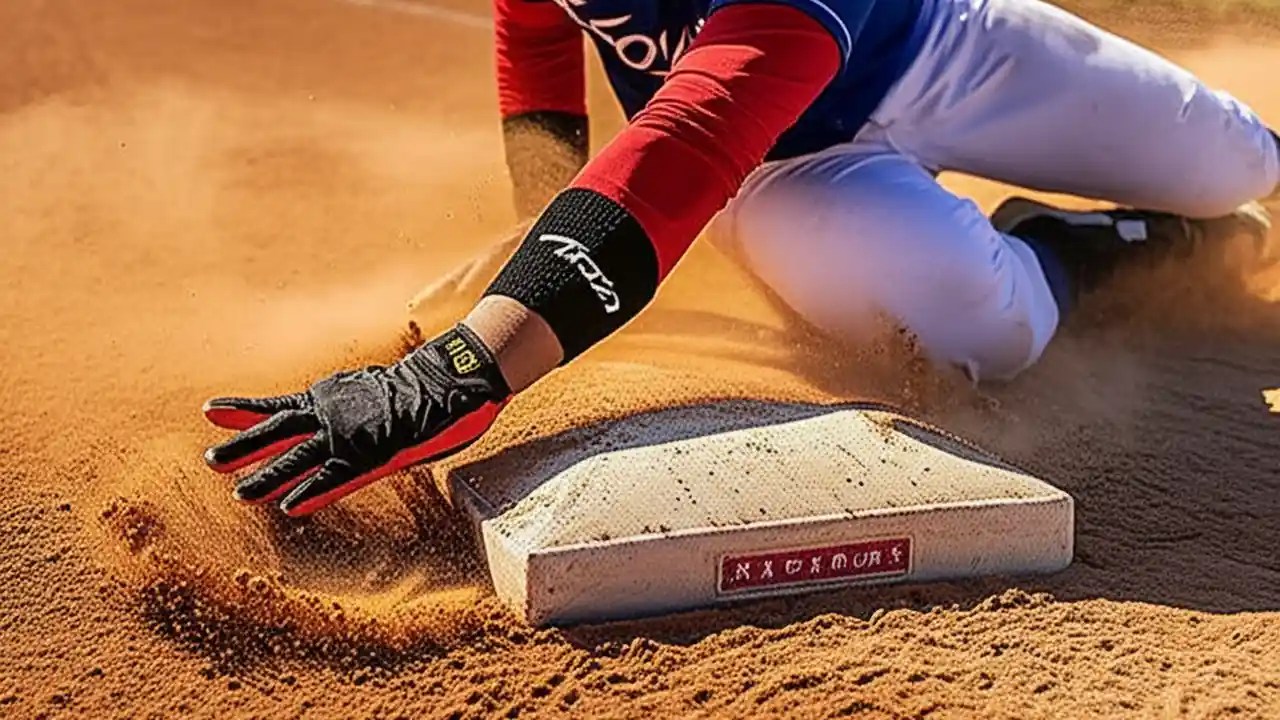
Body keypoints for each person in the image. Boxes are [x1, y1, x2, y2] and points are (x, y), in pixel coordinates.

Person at [202, 0, 1280, 516]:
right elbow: (533, 29)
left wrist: (459, 370)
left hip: (940, 48)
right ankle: (1070, 252)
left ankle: (1204, 213)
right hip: (781, 168)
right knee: (988, 328)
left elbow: (676, 153)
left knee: (1236, 160)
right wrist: (543, 217)